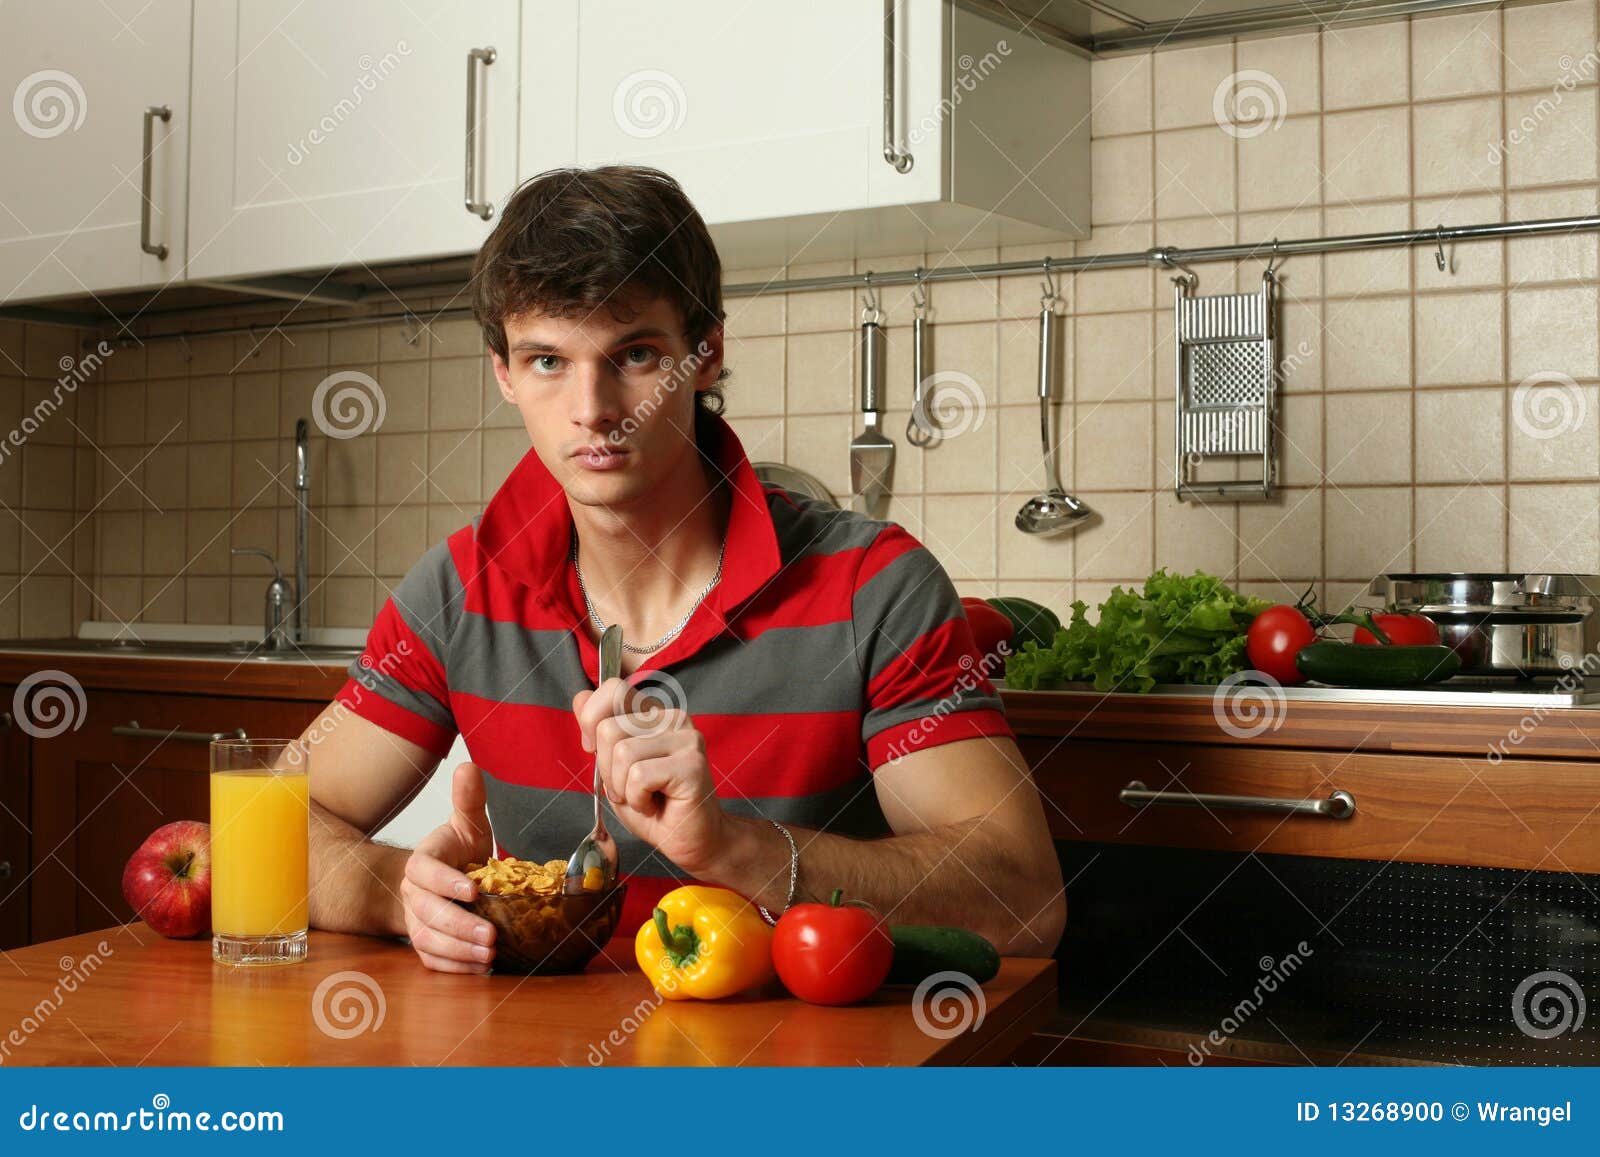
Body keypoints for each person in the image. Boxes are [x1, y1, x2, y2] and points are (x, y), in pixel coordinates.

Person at [302, 165, 1065, 973]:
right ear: (503, 372)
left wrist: (734, 848)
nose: (593, 407)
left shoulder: (874, 588)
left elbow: (1024, 898)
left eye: (633, 354)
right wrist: (397, 891)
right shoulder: (459, 590)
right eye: (547, 361)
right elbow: (269, 825)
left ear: (706, 354)